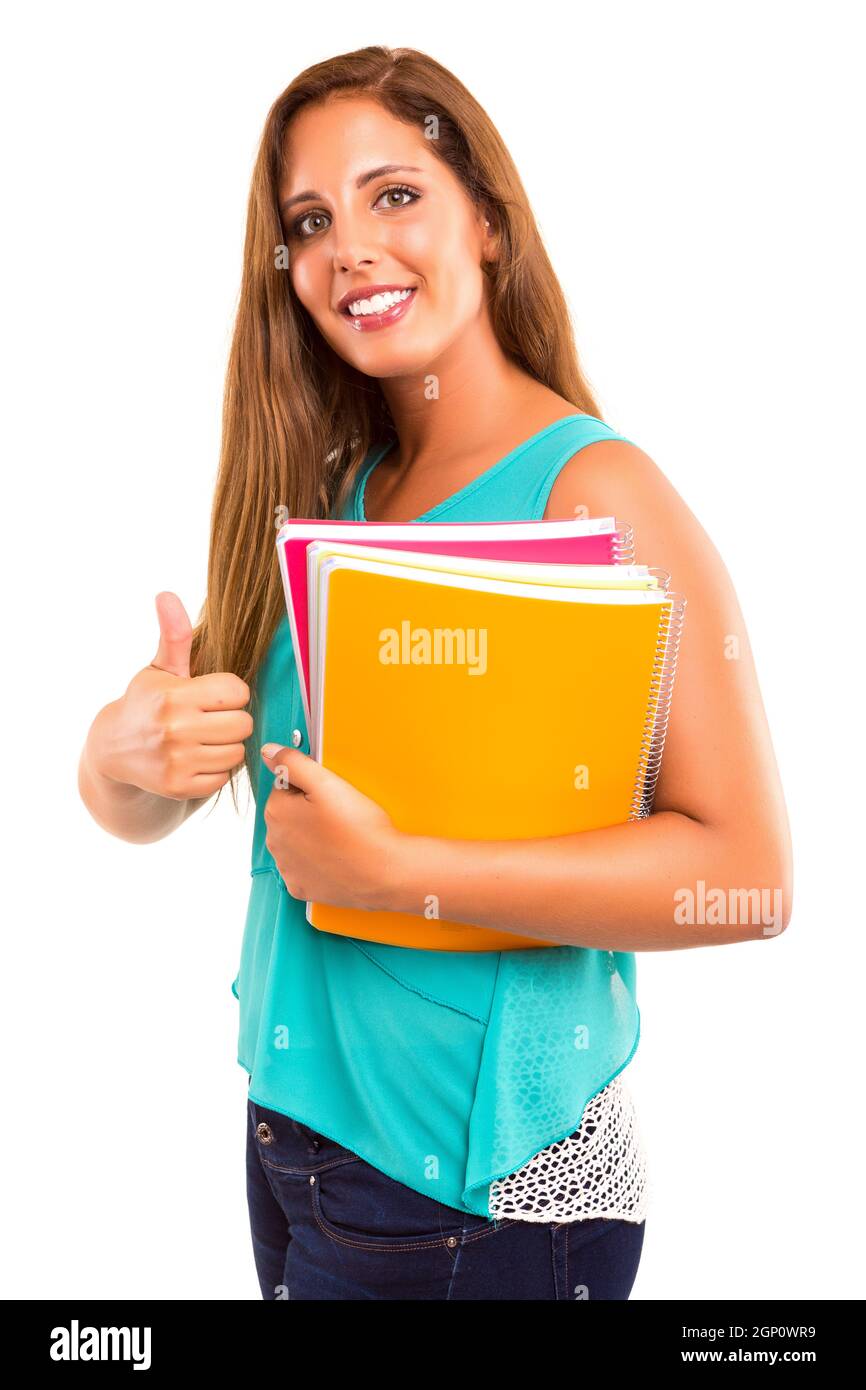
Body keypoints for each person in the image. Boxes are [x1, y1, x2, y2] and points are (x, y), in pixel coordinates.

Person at [78, 45, 793, 1301]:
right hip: (295, 1143)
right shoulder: (332, 499)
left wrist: (402, 877)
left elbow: (744, 880)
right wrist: (117, 762)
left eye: (392, 194)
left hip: (476, 1194)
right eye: (310, 220)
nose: (349, 245)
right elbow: (163, 809)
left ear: (490, 225)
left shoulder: (597, 495)